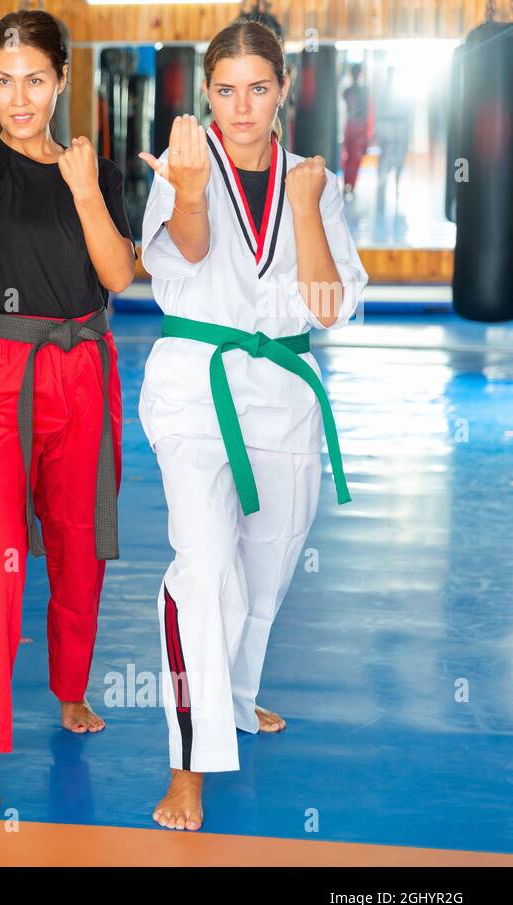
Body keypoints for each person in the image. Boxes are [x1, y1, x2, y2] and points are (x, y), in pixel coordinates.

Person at [136, 17, 368, 830]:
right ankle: (189, 763)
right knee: (205, 570)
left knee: (264, 577)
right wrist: (191, 191)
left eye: (258, 88)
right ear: (205, 93)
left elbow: (330, 307)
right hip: (195, 391)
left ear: (283, 91)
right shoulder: (183, 165)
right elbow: (186, 253)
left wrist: (306, 207)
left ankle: (233, 696)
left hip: (284, 396)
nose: (241, 107)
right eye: (226, 90)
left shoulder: (315, 178)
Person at [0, 9, 135, 816]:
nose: (19, 98)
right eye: (3, 81)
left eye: (35, 80)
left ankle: (71, 688)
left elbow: (118, 276)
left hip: (83, 367)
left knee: (81, 551)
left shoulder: (97, 172)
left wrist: (84, 192)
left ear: (61, 81)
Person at [340, 63, 372, 197]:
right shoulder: (363, 91)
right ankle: (350, 184)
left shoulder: (347, 91)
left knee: (350, 157)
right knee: (354, 158)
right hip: (358, 126)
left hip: (351, 125)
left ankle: (348, 184)